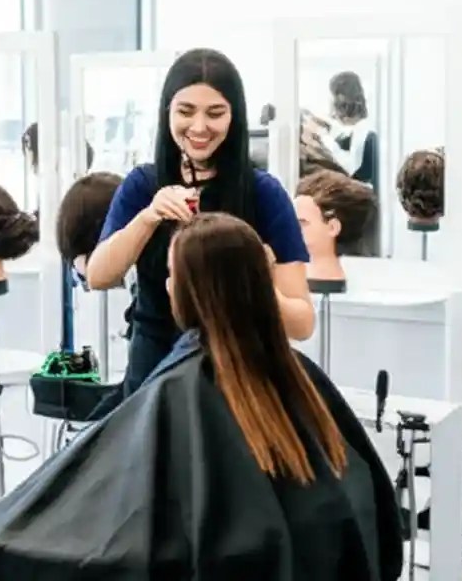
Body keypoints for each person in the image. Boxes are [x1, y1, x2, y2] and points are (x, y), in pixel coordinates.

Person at [0, 213, 403, 580]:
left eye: (174, 275)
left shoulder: (184, 388)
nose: (169, 285)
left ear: (194, 291)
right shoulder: (299, 377)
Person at [86, 48, 313, 405]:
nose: (199, 127)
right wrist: (148, 217)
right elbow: (97, 276)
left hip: (242, 379)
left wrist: (256, 274)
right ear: (167, 114)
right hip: (154, 374)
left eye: (215, 113)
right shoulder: (142, 186)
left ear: (234, 117)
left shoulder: (264, 194)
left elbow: (302, 324)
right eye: (185, 112)